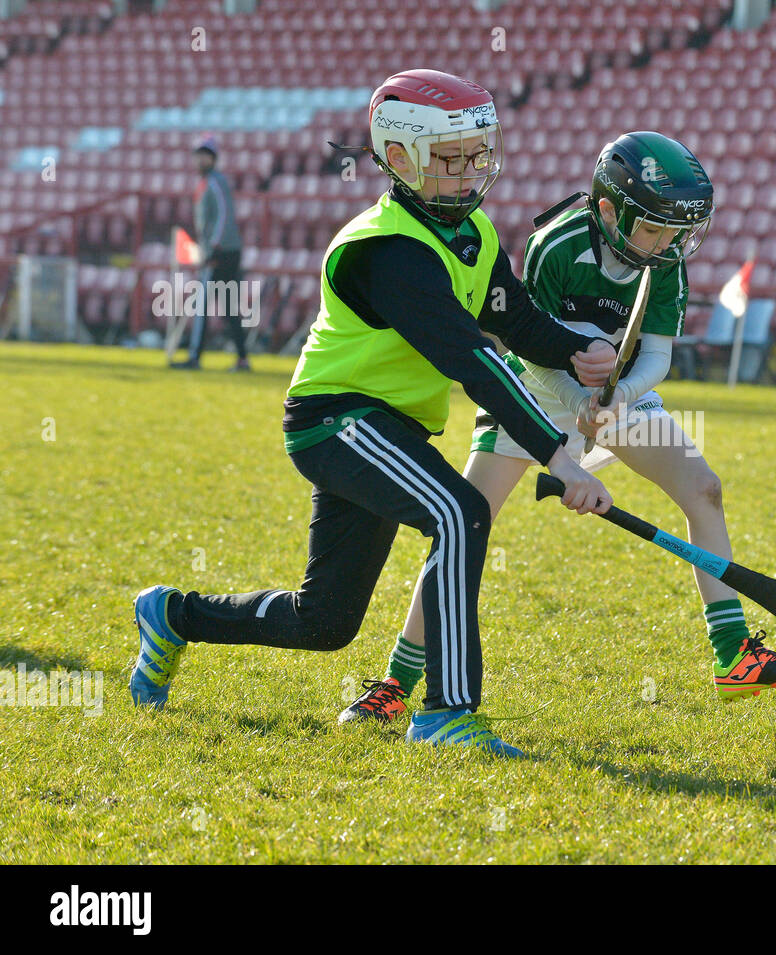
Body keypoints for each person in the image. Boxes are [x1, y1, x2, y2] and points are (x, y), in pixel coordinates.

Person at [130, 69, 619, 757]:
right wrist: (561, 460)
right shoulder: (389, 251)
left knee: (323, 621)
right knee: (459, 510)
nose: (472, 170)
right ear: (399, 159)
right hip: (336, 421)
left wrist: (579, 350)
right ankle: (447, 712)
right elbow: (472, 360)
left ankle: (172, 614)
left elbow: (519, 322)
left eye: (478, 152)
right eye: (452, 158)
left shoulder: (472, 232)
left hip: (386, 429)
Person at [338, 131, 776, 725]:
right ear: (608, 211)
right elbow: (528, 344)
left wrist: (618, 398)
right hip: (535, 393)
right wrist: (574, 394)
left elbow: (656, 357)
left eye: (676, 232)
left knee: (704, 489)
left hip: (620, 396)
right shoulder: (556, 244)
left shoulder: (663, 258)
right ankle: (397, 681)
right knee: (465, 528)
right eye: (653, 229)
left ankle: (733, 655)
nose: (667, 243)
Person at [171, 135, 250, 371]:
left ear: (212, 158)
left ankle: (195, 357)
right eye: (198, 155)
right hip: (222, 250)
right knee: (227, 307)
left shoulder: (215, 182)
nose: (200, 159)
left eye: (204, 155)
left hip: (221, 252)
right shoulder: (207, 182)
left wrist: (213, 246)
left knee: (203, 303)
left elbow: (224, 214)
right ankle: (242, 358)